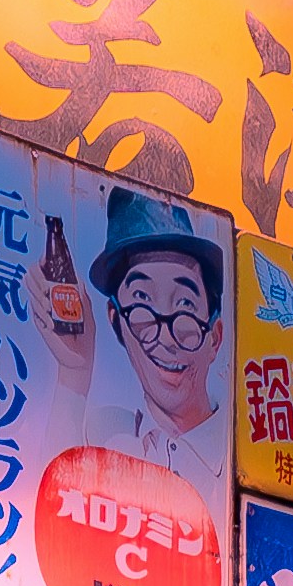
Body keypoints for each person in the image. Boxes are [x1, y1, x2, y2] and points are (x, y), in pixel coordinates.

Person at [35, 180, 226, 467]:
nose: (165, 337)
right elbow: (50, 499)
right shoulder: (101, 437)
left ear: (214, 336)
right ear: (117, 321)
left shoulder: (236, 452)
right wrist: (74, 372)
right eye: (142, 301)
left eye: (185, 303)